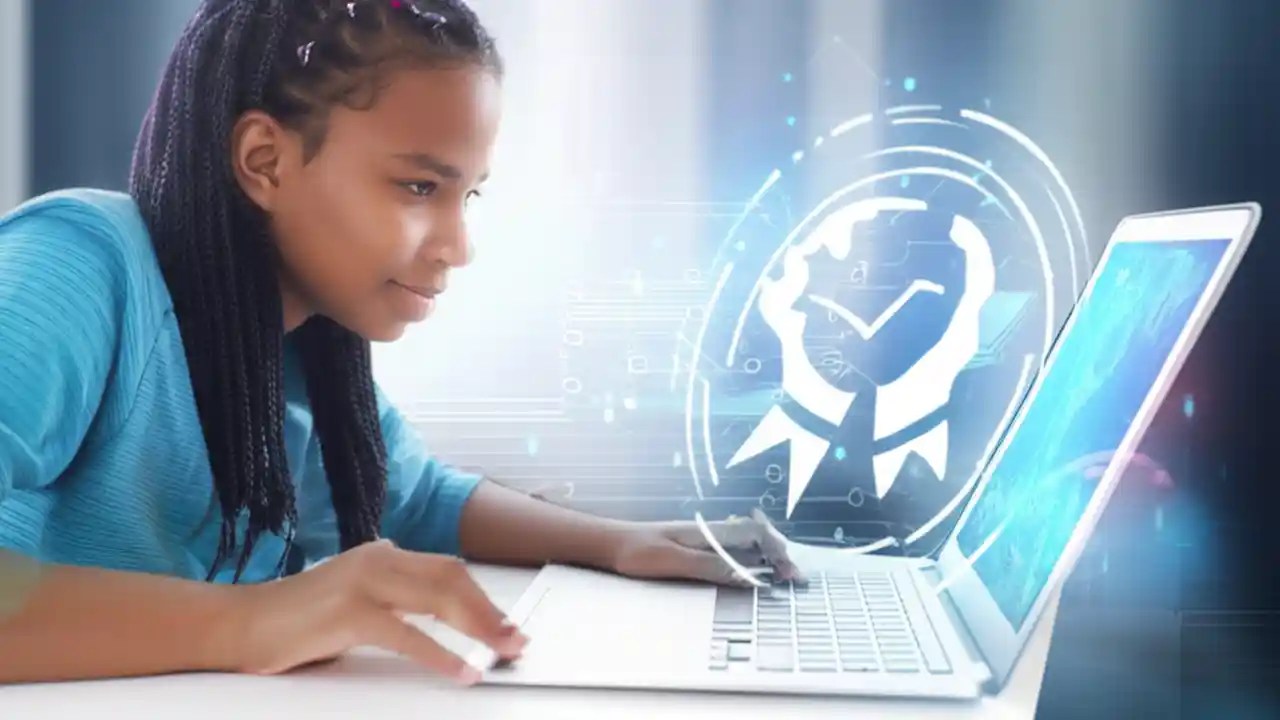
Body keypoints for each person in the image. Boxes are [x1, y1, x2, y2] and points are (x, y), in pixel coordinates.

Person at [0, 0, 798, 685]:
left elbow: (417, 499)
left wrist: (624, 544)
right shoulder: (76, 264)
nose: (458, 244)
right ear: (264, 161)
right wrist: (255, 620)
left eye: (468, 192)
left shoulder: (295, 349)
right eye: (420, 187)